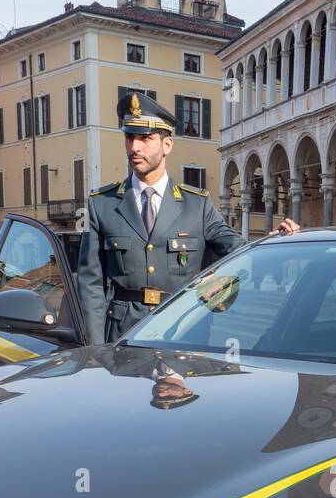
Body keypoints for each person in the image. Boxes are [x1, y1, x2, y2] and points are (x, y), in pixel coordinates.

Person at [76, 91, 300, 343]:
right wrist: (96, 350)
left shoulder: (197, 205)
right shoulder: (102, 204)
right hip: (122, 334)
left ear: (167, 145)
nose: (135, 147)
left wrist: (272, 242)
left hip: (182, 332)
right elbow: (90, 285)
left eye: (145, 138)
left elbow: (235, 249)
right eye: (129, 137)